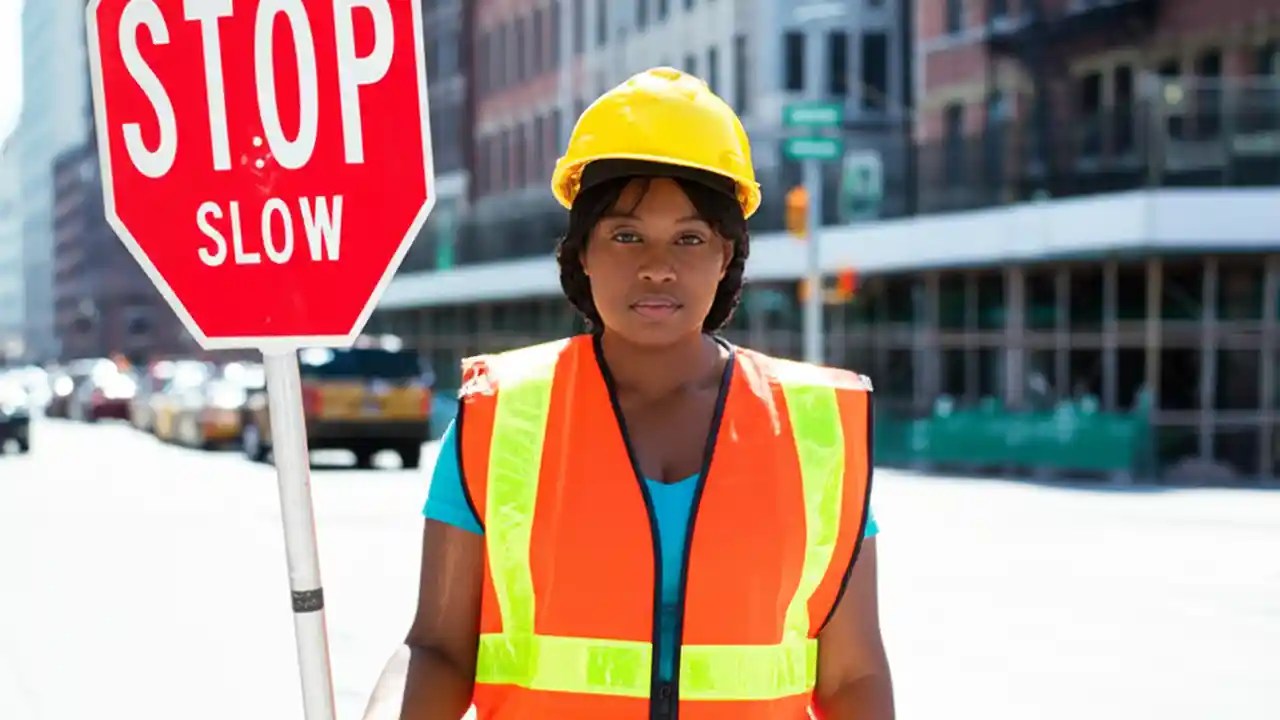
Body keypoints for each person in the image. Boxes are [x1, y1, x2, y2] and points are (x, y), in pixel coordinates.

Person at [362, 67, 894, 720]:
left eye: (690, 238)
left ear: (727, 255)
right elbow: (440, 647)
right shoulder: (498, 422)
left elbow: (852, 675)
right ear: (582, 251)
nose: (657, 264)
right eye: (625, 234)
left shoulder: (819, 432)